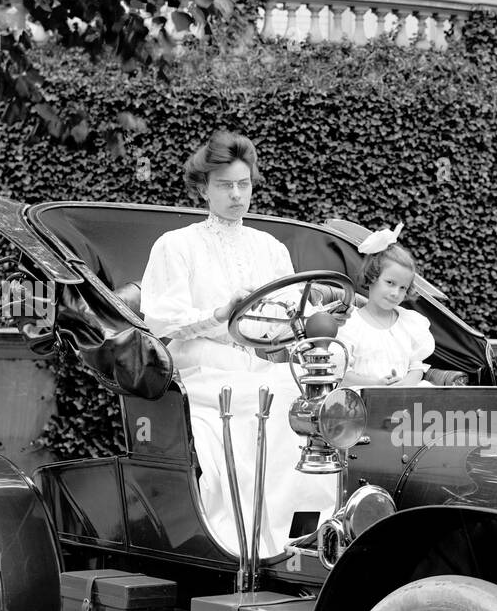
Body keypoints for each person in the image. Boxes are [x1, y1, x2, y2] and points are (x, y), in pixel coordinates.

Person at [139, 130, 338, 559]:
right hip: (200, 372)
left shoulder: (270, 248)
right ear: (202, 189)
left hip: (260, 368)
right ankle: (246, 545)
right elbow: (160, 321)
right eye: (224, 185)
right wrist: (219, 315)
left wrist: (314, 313)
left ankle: (301, 533)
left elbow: (287, 316)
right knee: (268, 402)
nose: (236, 195)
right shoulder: (177, 246)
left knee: (309, 400)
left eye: (243, 184)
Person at [340, 226, 435, 387]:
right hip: (363, 397)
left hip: (403, 397)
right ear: (372, 277)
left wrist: (404, 385)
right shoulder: (350, 324)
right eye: (390, 283)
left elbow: (416, 367)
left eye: (403, 288)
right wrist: (377, 384)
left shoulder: (410, 323)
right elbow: (342, 375)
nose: (395, 293)